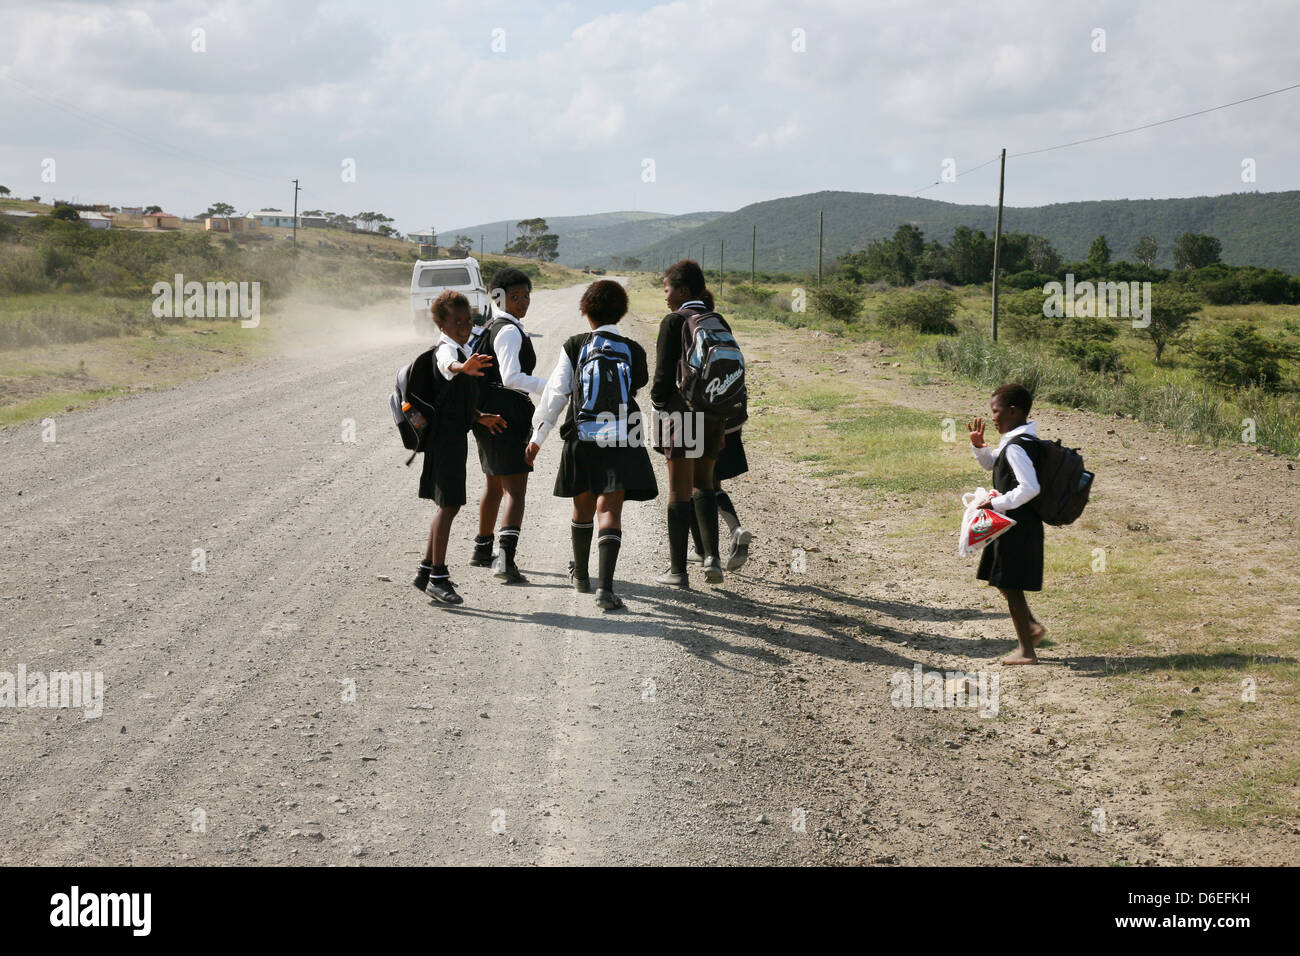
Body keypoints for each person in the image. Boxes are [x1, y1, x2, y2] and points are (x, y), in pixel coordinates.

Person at [525, 280, 658, 611]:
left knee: (582, 508)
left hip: (581, 438)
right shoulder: (634, 349)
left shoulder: (574, 345)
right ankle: (606, 590)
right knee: (609, 510)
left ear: (585, 311)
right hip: (623, 437)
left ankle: (582, 576)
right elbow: (638, 383)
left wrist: (537, 437)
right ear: (622, 311)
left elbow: (557, 393)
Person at [413, 291, 506, 604]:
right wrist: (461, 367)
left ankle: (427, 570)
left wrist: (481, 417)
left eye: (468, 321)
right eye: (457, 321)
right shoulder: (447, 350)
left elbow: (456, 401)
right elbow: (447, 365)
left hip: (452, 435)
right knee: (449, 505)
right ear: (441, 323)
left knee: (447, 503)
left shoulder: (461, 346)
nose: (465, 326)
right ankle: (438, 576)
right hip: (445, 440)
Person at [650, 260, 730, 587]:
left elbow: (662, 379)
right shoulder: (717, 320)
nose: (665, 296)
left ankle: (677, 571)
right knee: (705, 484)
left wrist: (657, 405)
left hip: (681, 413)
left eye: (667, 289)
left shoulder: (674, 321)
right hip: (715, 413)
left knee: (678, 490)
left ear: (682, 290)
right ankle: (711, 556)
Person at [470, 268, 547, 584]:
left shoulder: (488, 327)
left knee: (493, 485)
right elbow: (511, 377)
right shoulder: (509, 331)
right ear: (498, 298)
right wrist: (552, 386)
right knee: (515, 490)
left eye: (527, 295)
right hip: (506, 417)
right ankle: (505, 559)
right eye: (515, 297)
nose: (523, 302)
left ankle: (482, 550)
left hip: (487, 415)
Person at [968, 383, 1047, 664]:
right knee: (1003, 580)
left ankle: (1027, 651)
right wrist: (980, 448)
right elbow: (994, 466)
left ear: (1012, 411)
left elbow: (1030, 488)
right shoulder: (1017, 440)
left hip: (1016, 525)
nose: (993, 417)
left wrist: (996, 503)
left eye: (996, 411)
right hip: (1010, 524)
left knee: (1011, 586)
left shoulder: (1017, 446)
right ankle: (1033, 628)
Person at [688, 292, 752, 571]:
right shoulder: (720, 324)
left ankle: (711, 546)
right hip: (730, 416)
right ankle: (725, 535)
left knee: (702, 483)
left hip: (706, 418)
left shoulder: (691, 327)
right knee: (712, 482)